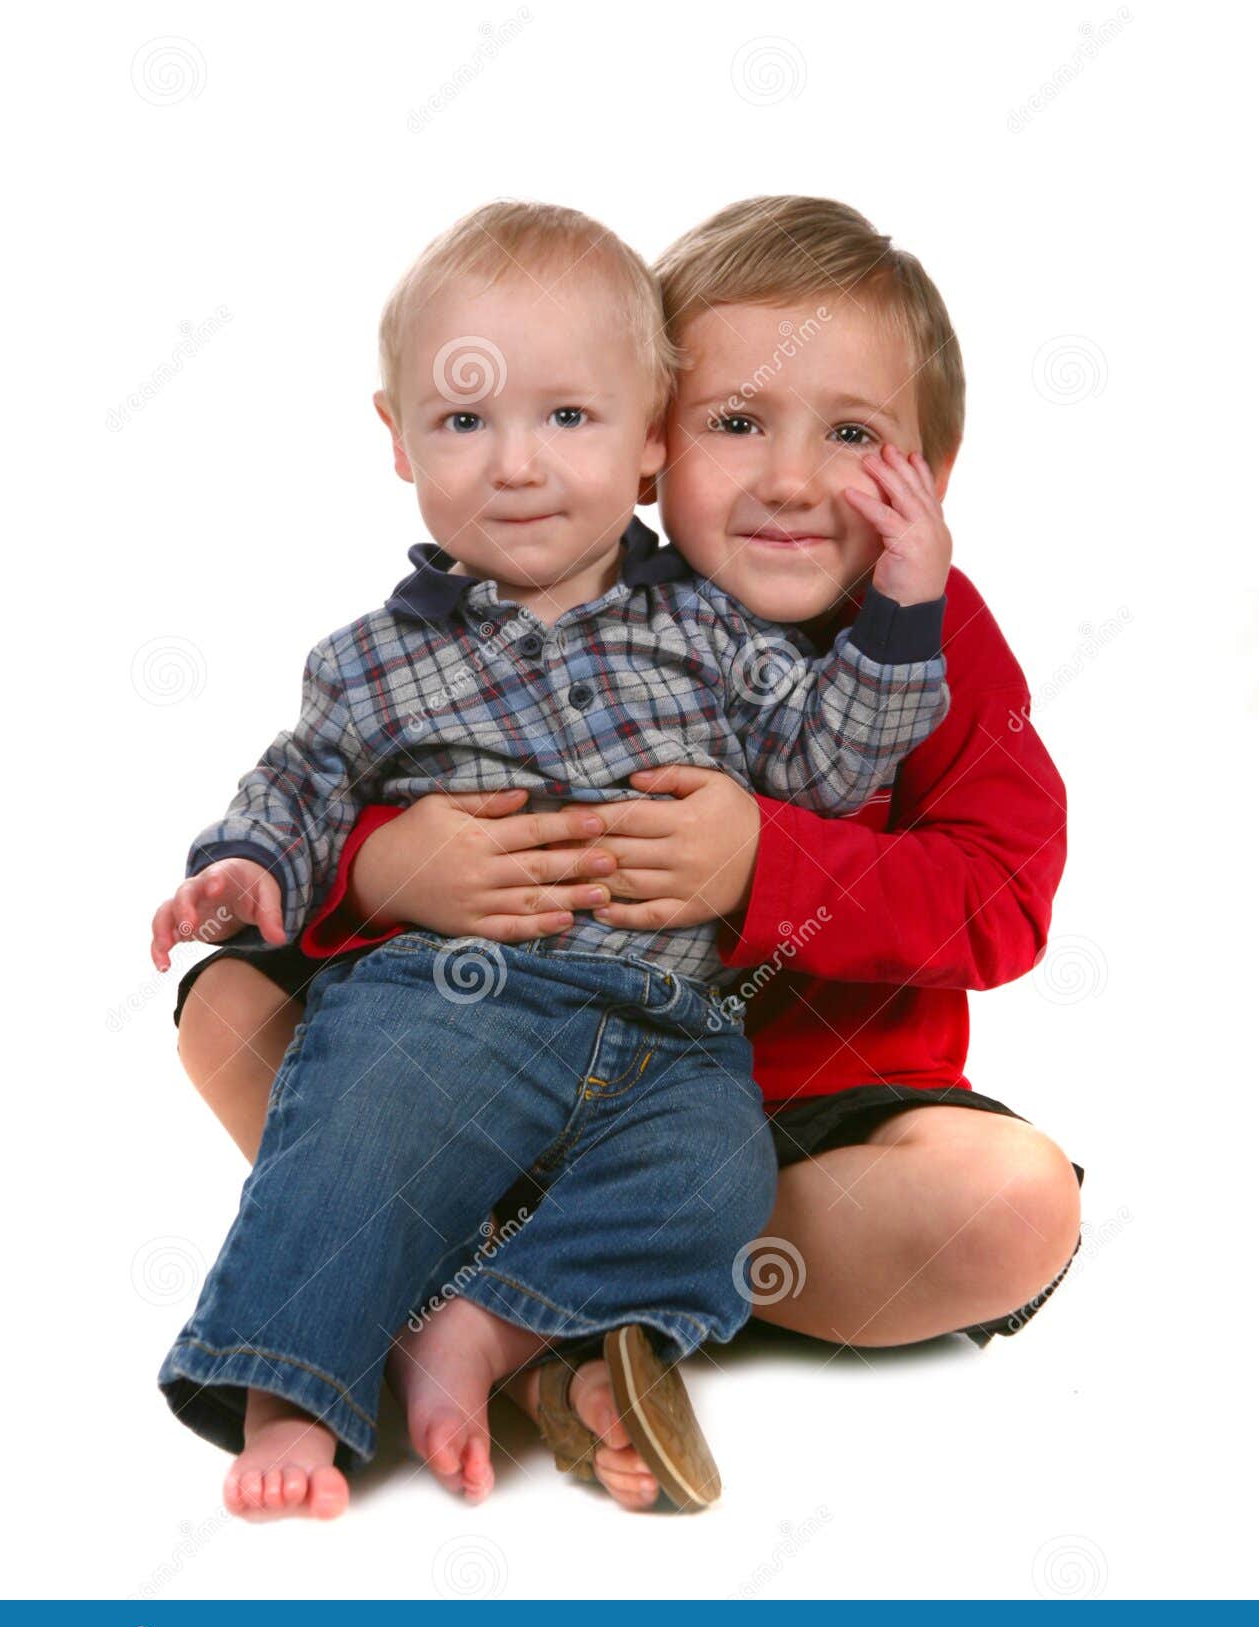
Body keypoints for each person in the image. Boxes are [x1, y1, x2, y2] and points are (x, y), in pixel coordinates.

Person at [151, 200, 952, 1519]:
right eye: (465, 421)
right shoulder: (373, 662)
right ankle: (286, 1394)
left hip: (673, 1033)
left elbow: (830, 763)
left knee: (720, 1174)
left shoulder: (714, 630)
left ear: (648, 443)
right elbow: (301, 782)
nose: (517, 465)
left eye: (568, 417)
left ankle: (478, 1330)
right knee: (357, 1125)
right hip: (450, 1002)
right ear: (397, 437)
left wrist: (908, 610)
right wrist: (247, 864)